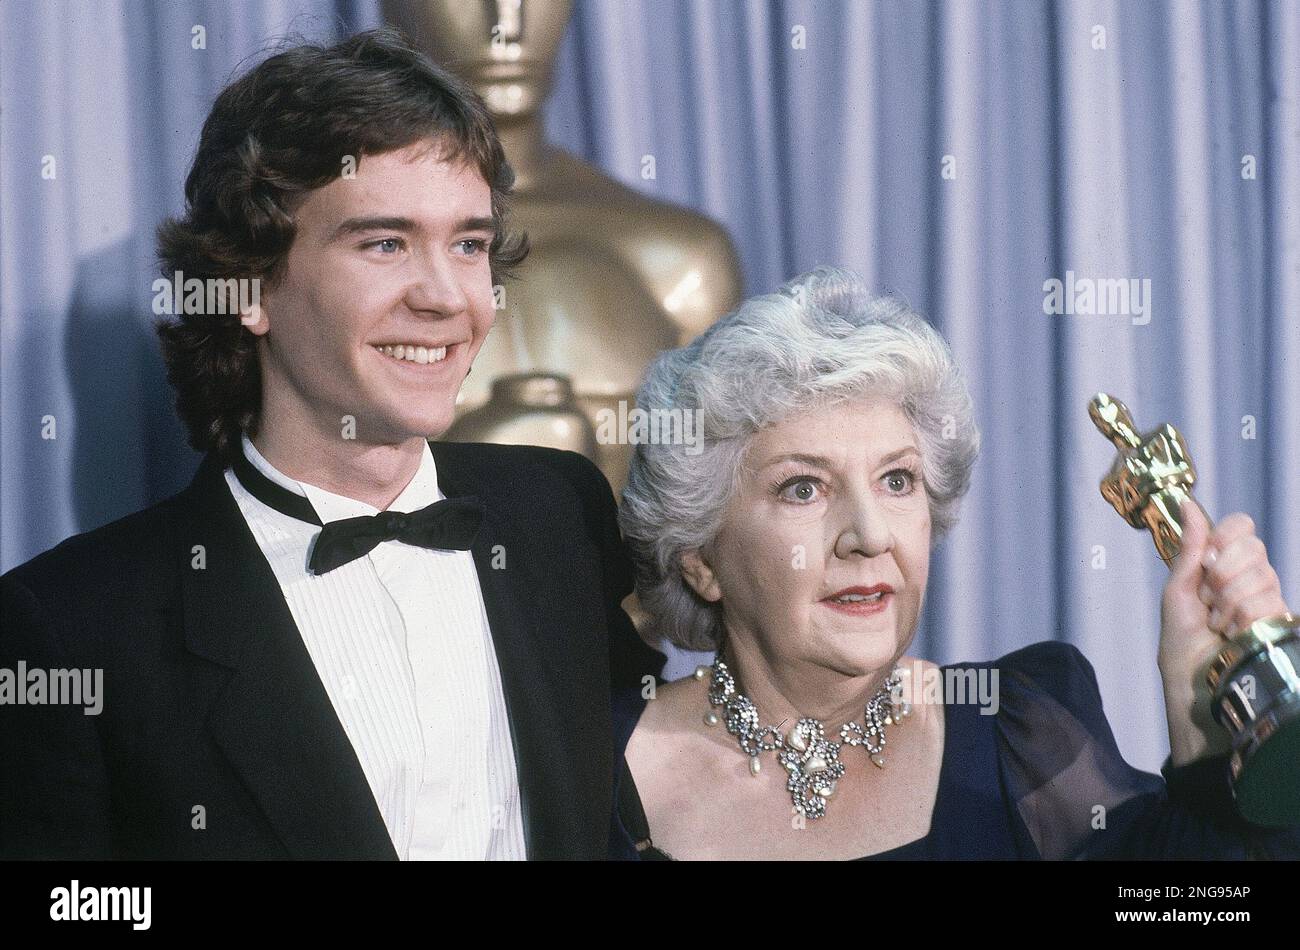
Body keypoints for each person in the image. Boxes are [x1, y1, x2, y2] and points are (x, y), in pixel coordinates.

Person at [0, 29, 663, 860]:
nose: (445, 298)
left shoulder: (561, 512)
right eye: (384, 243)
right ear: (248, 285)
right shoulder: (76, 626)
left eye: (468, 244)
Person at [611, 266, 1299, 860]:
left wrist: (1203, 732)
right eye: (803, 488)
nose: (870, 536)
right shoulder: (592, 775)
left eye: (897, 480)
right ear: (700, 558)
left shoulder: (1020, 739)